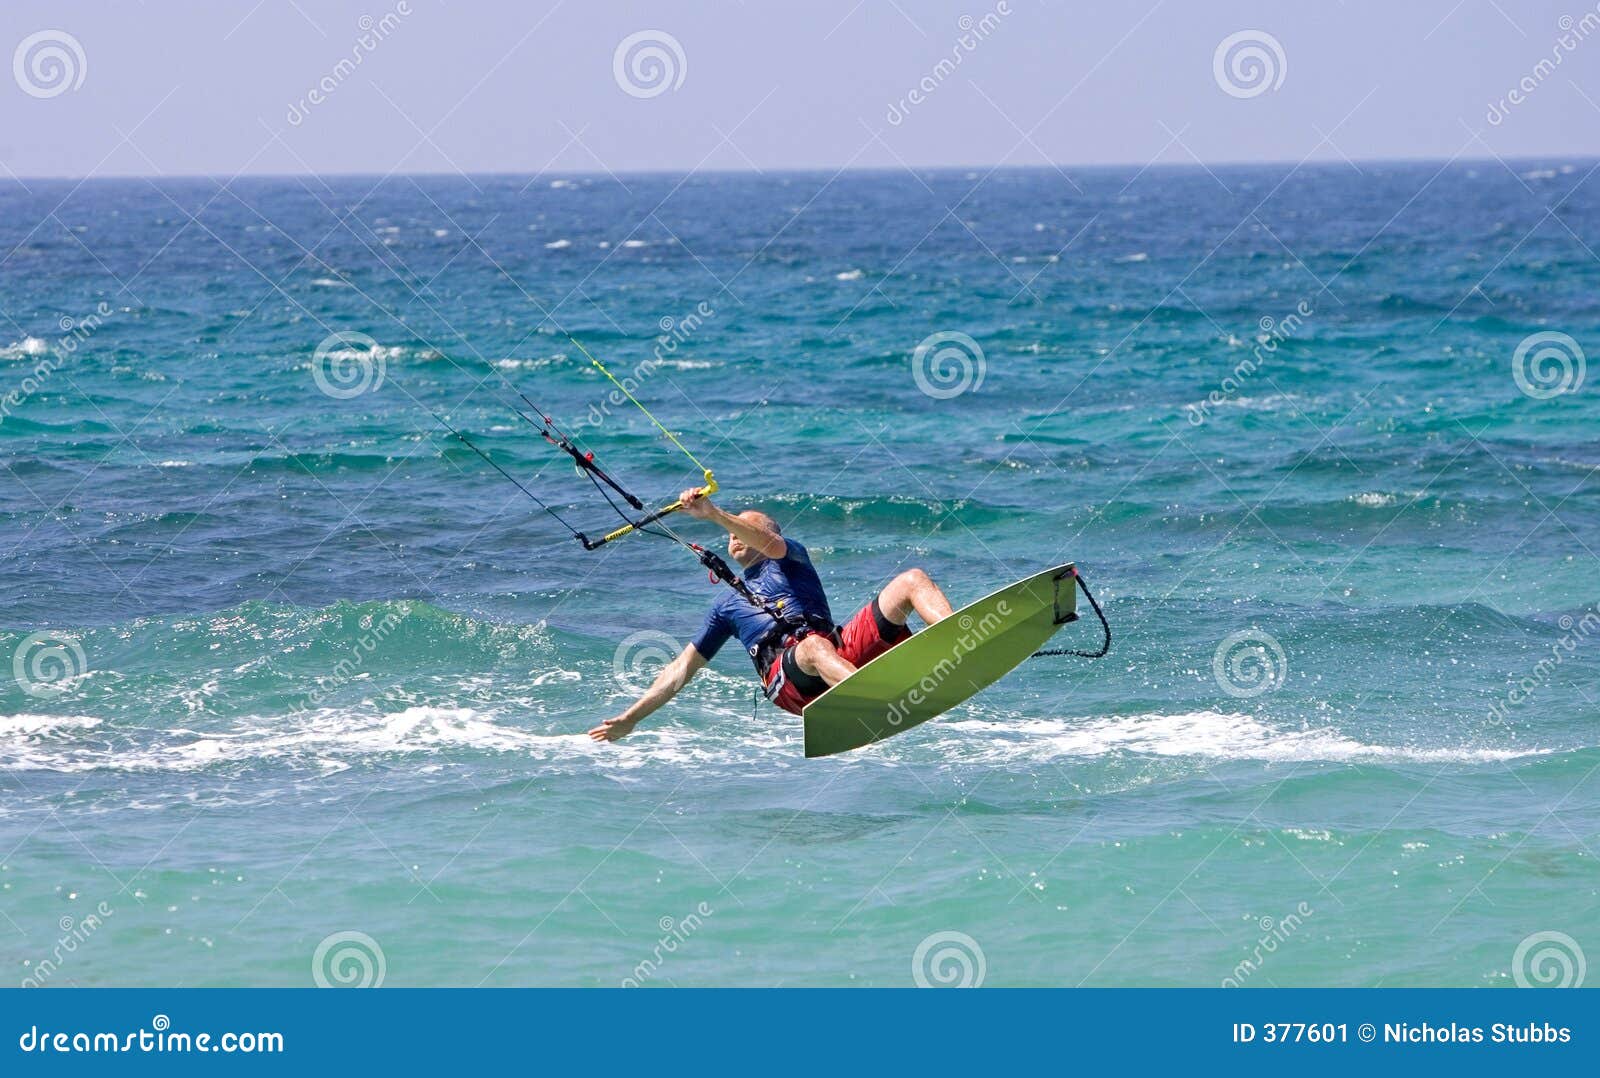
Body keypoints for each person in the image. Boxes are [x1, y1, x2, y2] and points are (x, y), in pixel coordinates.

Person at [587, 488, 954, 742]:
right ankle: (873, 703)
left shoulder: (791, 556)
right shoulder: (725, 607)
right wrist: (631, 718)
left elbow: (771, 545)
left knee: (912, 580)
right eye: (731, 532)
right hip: (790, 683)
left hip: (835, 655)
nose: (733, 535)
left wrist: (716, 515)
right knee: (812, 648)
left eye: (744, 528)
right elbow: (680, 669)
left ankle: (960, 637)